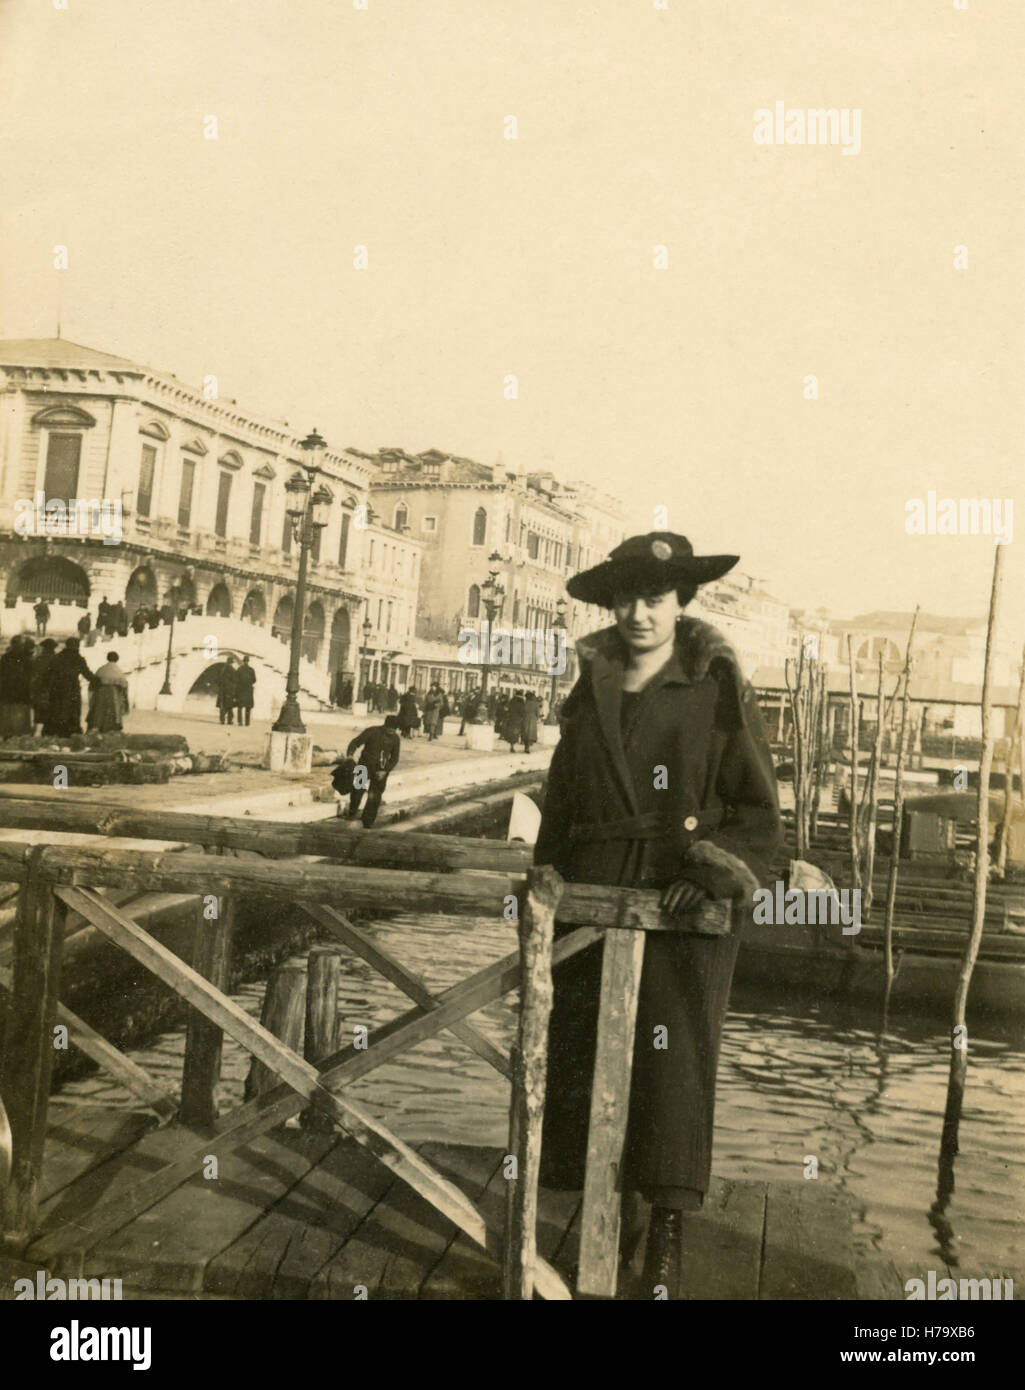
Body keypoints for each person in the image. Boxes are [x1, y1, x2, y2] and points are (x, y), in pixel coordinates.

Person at [533, 532, 781, 1298]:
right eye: (626, 597)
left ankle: (665, 1237)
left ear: (681, 605)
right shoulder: (591, 685)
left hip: (681, 900)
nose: (638, 613)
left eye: (655, 598)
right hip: (591, 890)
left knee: (671, 1070)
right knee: (581, 1055)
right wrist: (541, 882)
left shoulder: (712, 686)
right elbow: (563, 796)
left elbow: (756, 811)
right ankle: (595, 1222)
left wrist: (711, 873)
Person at [344, 714, 402, 827]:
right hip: (364, 765)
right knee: (357, 790)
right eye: (389, 729)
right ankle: (352, 812)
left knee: (374, 796)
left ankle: (367, 822)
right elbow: (355, 742)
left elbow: (395, 758)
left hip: (381, 769)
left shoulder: (395, 738)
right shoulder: (372, 731)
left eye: (394, 729)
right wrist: (350, 755)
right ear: (385, 726)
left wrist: (385, 771)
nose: (391, 731)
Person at [46, 637, 95, 736]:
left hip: (57, 689)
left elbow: (49, 675)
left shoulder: (57, 657)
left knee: (58, 711)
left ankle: (58, 732)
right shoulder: (78, 659)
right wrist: (99, 680)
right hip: (73, 690)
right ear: (77, 646)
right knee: (73, 712)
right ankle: (71, 732)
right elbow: (88, 674)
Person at [0, 635, 35, 736]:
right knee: (11, 715)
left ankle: (13, 735)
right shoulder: (9, 658)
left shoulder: (8, 658)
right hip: (13, 692)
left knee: (14, 715)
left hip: (18, 692)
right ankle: (11, 736)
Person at [87, 652, 130, 732]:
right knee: (113, 713)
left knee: (98, 711)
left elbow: (93, 684)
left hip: (100, 694)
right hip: (114, 695)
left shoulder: (101, 669)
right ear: (117, 659)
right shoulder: (119, 670)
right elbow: (124, 686)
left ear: (107, 658)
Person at [30, 638, 58, 733]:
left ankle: (36, 732)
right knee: (51, 712)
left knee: (38, 713)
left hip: (39, 690)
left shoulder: (38, 659)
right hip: (53, 690)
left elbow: (33, 675)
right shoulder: (57, 659)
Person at [217, 655, 239, 724]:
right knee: (229, 706)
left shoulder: (223, 669)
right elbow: (235, 681)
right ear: (232, 663)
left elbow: (219, 680)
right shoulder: (232, 670)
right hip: (229, 691)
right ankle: (229, 720)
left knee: (223, 705)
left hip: (222, 690)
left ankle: (222, 719)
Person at [234, 654, 256, 726]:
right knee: (248, 707)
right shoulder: (251, 670)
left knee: (240, 707)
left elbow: (236, 679)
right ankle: (247, 723)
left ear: (243, 661)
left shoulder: (240, 669)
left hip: (241, 690)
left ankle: (240, 722)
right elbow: (254, 680)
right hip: (248, 691)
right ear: (248, 661)